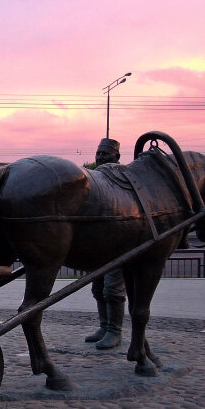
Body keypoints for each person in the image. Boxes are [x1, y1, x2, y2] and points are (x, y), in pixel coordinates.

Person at [85, 137, 127, 349]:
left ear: (117, 157)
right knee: (98, 288)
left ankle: (114, 331)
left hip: (118, 243)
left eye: (105, 154)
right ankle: (104, 326)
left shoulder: (122, 177)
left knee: (113, 290)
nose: (100, 157)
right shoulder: (95, 177)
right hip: (100, 244)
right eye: (98, 153)